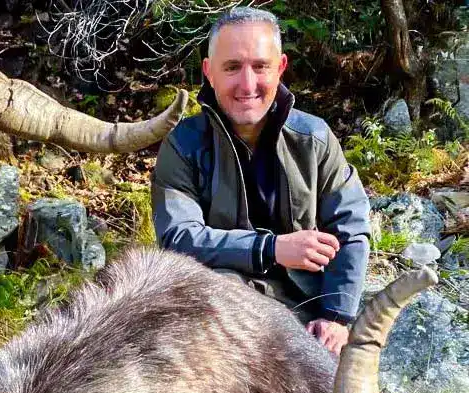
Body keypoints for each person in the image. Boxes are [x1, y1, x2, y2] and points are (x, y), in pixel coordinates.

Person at [150, 7, 370, 356]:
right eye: (232, 67)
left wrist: (336, 316)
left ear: (280, 67)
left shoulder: (314, 138)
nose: (248, 84)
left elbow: (351, 227)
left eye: (260, 66)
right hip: (222, 303)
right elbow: (179, 239)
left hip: (309, 304)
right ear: (209, 72)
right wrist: (271, 249)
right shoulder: (182, 146)